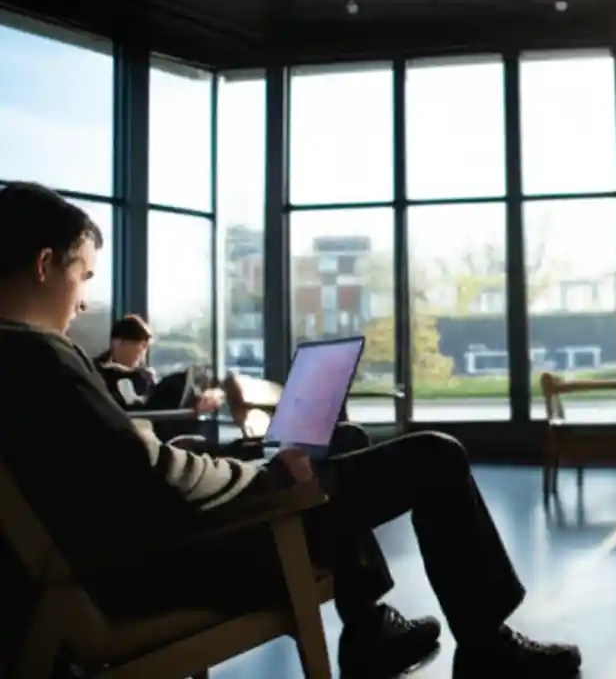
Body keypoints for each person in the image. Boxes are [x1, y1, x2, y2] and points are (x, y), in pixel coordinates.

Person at [0, 182, 581, 678]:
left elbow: (116, 467)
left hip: (140, 551)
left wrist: (198, 457)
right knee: (435, 456)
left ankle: (369, 629)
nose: (83, 299)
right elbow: (145, 478)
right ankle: (484, 648)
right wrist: (262, 476)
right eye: (83, 274)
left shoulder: (19, 361)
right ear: (46, 265)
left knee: (341, 441)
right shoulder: (39, 359)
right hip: (190, 557)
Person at [94, 313, 222, 414]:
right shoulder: (96, 373)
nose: (143, 352)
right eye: (141, 345)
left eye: (146, 347)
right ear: (118, 343)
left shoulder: (144, 376)